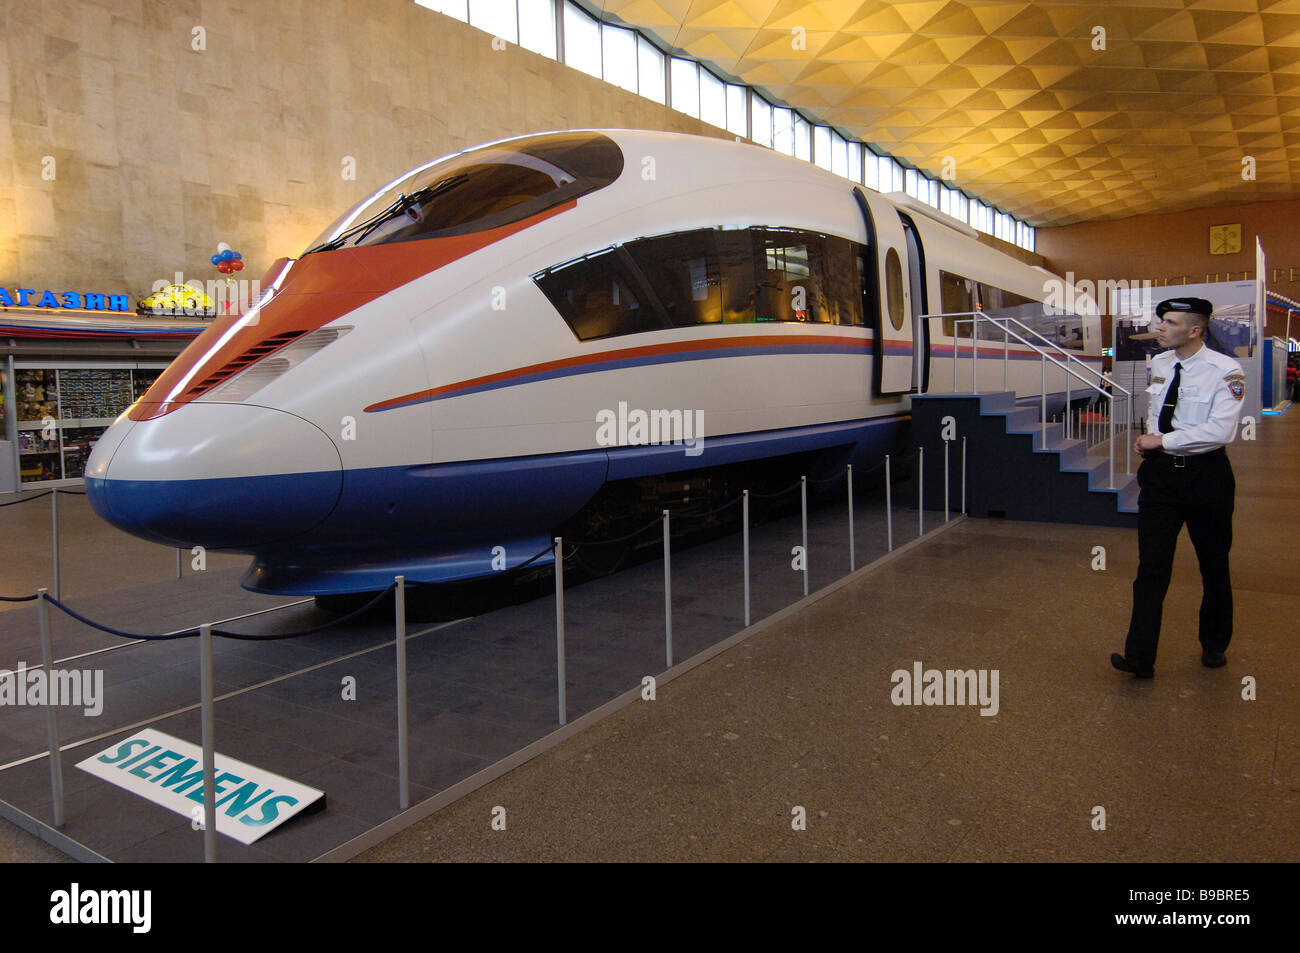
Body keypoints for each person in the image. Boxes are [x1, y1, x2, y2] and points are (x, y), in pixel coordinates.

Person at [1111, 297, 1246, 678]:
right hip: (1161, 479)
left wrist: (1163, 442)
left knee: (1213, 565)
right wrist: (1150, 441)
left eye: (1170, 323)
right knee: (1151, 567)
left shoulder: (1226, 370)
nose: (1161, 328)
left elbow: (1221, 432)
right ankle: (1139, 657)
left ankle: (1214, 643)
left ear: (1195, 329)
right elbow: (1157, 413)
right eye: (1162, 321)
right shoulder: (1160, 363)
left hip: (1208, 480)